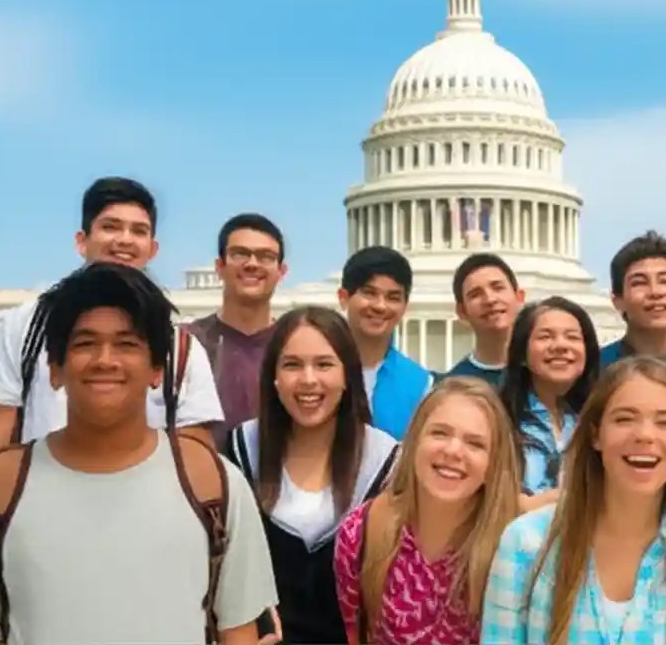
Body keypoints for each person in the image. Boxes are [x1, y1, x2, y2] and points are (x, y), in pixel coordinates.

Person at [0, 262, 279, 644]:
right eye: (85, 343)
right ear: (55, 369)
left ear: (157, 369)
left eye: (127, 344)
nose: (105, 360)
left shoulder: (216, 486)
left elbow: (238, 633)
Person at [480, 356, 666, 644]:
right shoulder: (526, 542)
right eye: (624, 419)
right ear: (596, 435)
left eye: (665, 423)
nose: (644, 435)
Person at [0, 176, 222, 470]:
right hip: (41, 502)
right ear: (81, 241)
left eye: (138, 231)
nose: (124, 240)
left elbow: (196, 458)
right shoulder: (18, 330)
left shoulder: (181, 347)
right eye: (110, 227)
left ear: (152, 249)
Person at [224, 306, 400, 644]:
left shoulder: (386, 462)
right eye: (292, 365)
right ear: (273, 377)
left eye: (324, 364)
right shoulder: (240, 450)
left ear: (347, 374)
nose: (308, 380)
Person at [334, 376, 522, 644]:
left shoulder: (517, 548)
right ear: (413, 443)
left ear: (494, 465)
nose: (453, 450)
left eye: (475, 443)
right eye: (440, 433)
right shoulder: (360, 534)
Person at [187, 213, 288, 443]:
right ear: (219, 266)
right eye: (240, 254)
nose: (252, 264)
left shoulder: (294, 345)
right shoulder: (187, 344)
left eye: (266, 257)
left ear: (282, 271)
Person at [498, 297, 600, 511]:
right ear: (522, 355)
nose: (561, 346)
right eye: (545, 336)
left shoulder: (598, 420)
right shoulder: (496, 416)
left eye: (572, 337)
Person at [337, 245, 432, 439]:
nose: (380, 306)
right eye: (369, 293)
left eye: (393, 297)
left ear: (405, 306)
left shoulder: (420, 384)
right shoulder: (315, 372)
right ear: (344, 298)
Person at [599, 231, 666, 368]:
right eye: (639, 283)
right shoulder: (594, 372)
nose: (655, 292)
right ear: (618, 300)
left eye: (665, 280)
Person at [441, 253, 526, 387]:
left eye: (498, 288)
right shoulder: (455, 389)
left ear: (519, 297)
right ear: (462, 312)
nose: (490, 299)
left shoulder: (547, 374)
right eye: (475, 294)